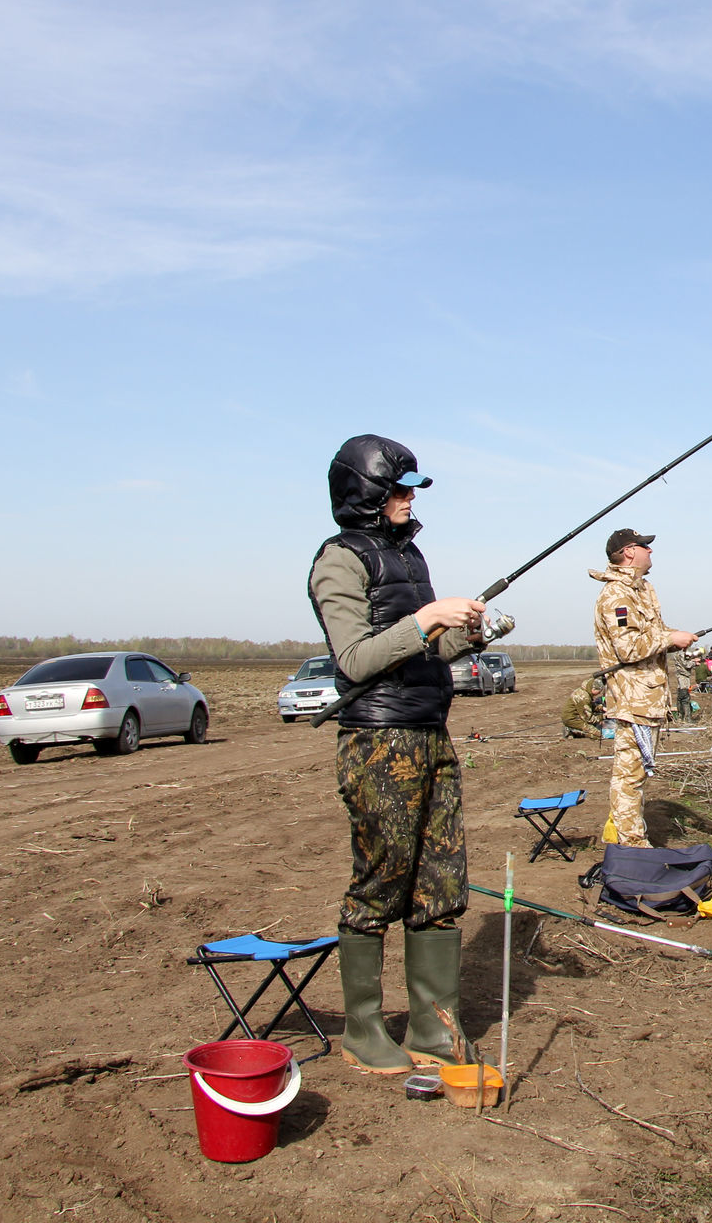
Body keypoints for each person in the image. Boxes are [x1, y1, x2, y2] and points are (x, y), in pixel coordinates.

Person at [308, 434, 485, 1075]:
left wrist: (467, 633)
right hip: (379, 742)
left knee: (441, 883)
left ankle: (434, 1030)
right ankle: (363, 1029)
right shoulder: (338, 560)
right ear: (368, 493)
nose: (411, 500)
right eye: (400, 489)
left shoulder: (411, 556)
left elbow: (426, 651)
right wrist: (427, 617)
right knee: (382, 880)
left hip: (432, 732)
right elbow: (356, 659)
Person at [590, 528, 694, 847]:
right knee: (629, 777)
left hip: (647, 700)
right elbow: (629, 648)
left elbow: (651, 635)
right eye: (645, 546)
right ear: (629, 552)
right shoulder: (616, 595)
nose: (651, 551)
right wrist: (669, 638)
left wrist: (676, 639)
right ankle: (631, 846)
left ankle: (628, 836)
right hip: (633, 701)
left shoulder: (641, 589)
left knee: (636, 774)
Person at [562, 674, 606, 739]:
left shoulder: (585, 691)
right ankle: (573, 732)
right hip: (573, 719)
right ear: (593, 689)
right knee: (598, 735)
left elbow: (590, 706)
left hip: (576, 716)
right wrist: (603, 716)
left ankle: (572, 729)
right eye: (599, 691)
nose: (599, 693)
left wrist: (602, 708)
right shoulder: (584, 697)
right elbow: (589, 719)